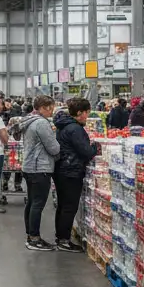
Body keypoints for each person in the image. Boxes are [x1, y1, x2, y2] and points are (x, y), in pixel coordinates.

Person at [12, 95, 60, 251]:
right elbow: (54, 148)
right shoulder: (41, 123)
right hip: (40, 167)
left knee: (32, 202)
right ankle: (34, 239)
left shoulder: (29, 121)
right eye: (51, 108)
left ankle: (30, 235)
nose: (52, 111)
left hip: (29, 166)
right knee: (38, 204)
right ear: (44, 107)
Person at [53, 97, 100, 251]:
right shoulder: (75, 129)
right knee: (69, 206)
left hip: (61, 169)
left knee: (62, 205)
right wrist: (95, 147)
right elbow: (85, 152)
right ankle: (64, 241)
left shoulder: (63, 125)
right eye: (87, 113)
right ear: (80, 112)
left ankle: (60, 236)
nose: (87, 116)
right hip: (71, 171)